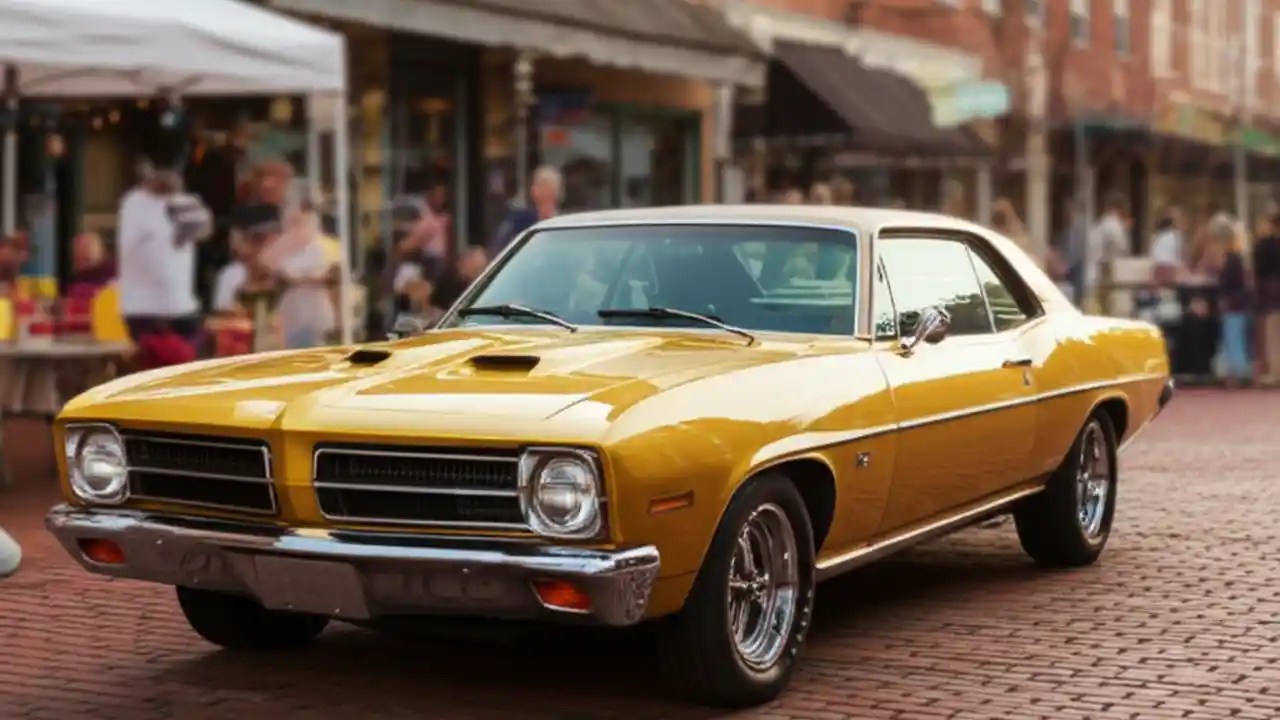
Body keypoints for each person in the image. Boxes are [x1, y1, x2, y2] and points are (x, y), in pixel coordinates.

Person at [117, 162, 208, 349]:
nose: (171, 181)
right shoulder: (134, 203)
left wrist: (187, 213)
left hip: (181, 304)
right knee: (152, 362)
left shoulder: (186, 202)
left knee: (188, 359)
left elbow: (205, 229)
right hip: (143, 307)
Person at [261, 196, 337, 349]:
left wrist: (302, 279)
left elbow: (334, 275)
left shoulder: (326, 245)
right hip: (291, 311)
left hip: (317, 308)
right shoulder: (278, 246)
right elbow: (270, 273)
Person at [489, 165, 562, 258]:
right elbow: (499, 246)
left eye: (538, 184)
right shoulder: (519, 221)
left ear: (551, 190)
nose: (532, 188)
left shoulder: (563, 225)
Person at [1217, 224, 1252, 387]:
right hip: (1239, 303)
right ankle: (1238, 370)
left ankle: (1236, 372)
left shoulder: (1232, 259)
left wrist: (1223, 298)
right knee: (1235, 336)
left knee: (1232, 336)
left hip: (1233, 303)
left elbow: (1228, 283)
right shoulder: (1239, 259)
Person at [1086, 191, 1131, 308]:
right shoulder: (1114, 225)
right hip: (1105, 280)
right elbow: (1119, 251)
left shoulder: (1097, 226)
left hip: (1091, 276)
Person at [1253, 212, 1280, 386]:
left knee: (1273, 335)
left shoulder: (1266, 245)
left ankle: (1275, 372)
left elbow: (1259, 269)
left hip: (1271, 294)